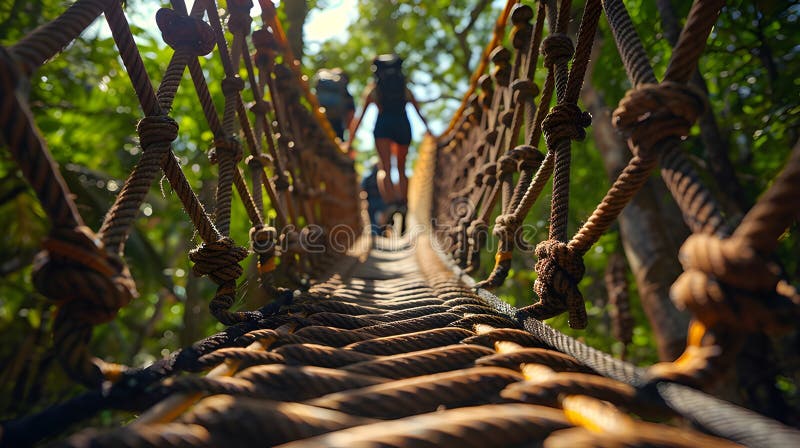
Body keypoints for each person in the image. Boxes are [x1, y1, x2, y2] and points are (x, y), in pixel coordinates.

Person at [347, 54, 428, 208]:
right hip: (403, 125)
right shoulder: (403, 87)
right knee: (402, 169)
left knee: (385, 168)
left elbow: (359, 118)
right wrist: (429, 129)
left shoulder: (374, 90)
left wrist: (350, 142)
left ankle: (391, 204)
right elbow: (418, 111)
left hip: (383, 125)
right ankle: (404, 204)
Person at [313, 68, 355, 142]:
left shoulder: (322, 85)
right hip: (337, 126)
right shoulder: (346, 95)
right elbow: (350, 119)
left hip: (317, 123)